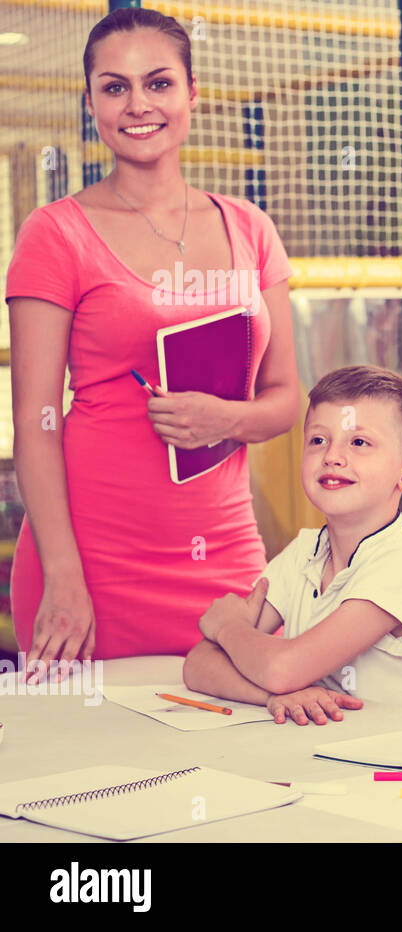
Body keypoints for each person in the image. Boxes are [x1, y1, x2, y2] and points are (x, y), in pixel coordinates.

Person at [7, 8, 299, 680]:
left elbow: (286, 397)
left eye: (158, 83)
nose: (138, 105)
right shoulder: (56, 234)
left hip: (224, 556)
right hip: (90, 560)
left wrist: (226, 419)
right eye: (115, 88)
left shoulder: (250, 229)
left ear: (192, 93)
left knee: (240, 763)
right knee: (92, 773)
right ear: (91, 103)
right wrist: (64, 575)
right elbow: (36, 420)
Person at [182, 366, 402, 721]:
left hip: (390, 768)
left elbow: (283, 669)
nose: (332, 456)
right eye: (318, 440)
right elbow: (199, 664)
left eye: (359, 442)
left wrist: (229, 627)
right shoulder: (304, 552)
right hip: (315, 758)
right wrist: (278, 696)